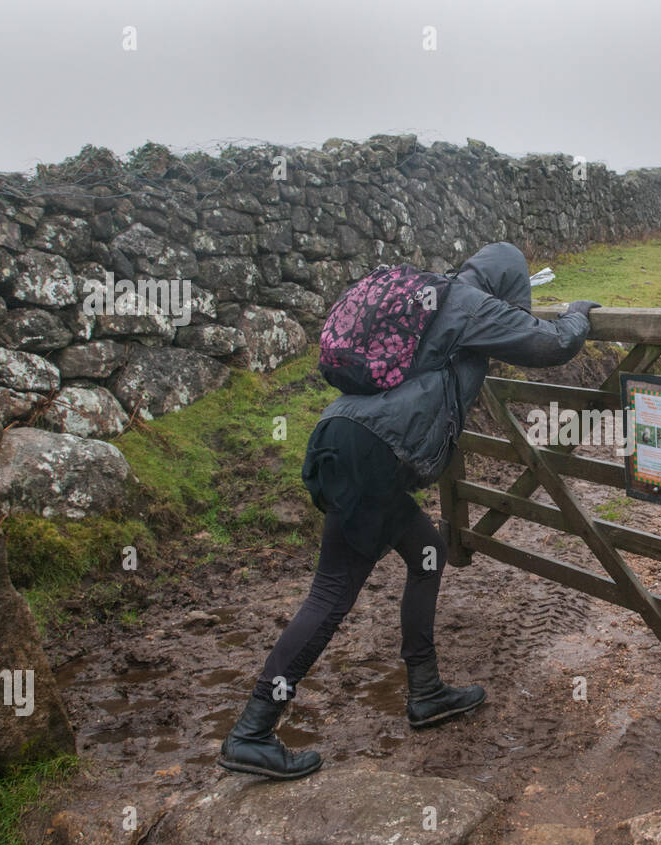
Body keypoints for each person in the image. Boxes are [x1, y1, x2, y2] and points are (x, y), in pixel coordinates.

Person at [219, 242, 599, 780]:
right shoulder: (471, 305)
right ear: (508, 284)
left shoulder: (430, 295)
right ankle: (252, 730)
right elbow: (553, 345)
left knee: (426, 551)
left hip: (347, 438)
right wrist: (579, 313)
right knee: (330, 594)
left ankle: (425, 691)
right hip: (371, 451)